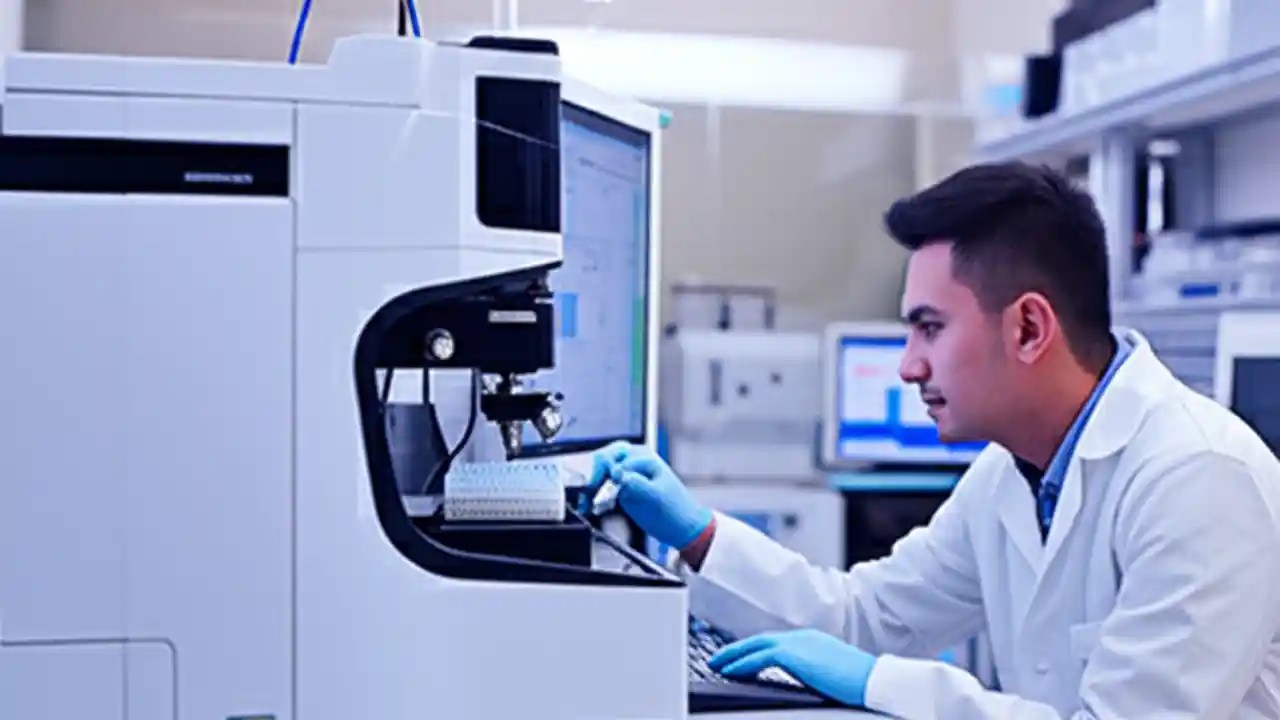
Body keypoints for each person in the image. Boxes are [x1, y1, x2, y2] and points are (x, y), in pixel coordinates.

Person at [586, 162, 1280, 719]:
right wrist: (698, 534)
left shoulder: (1199, 478)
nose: (908, 364)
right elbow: (868, 617)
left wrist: (882, 685)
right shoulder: (1013, 473)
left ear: (1030, 329)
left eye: (930, 328)